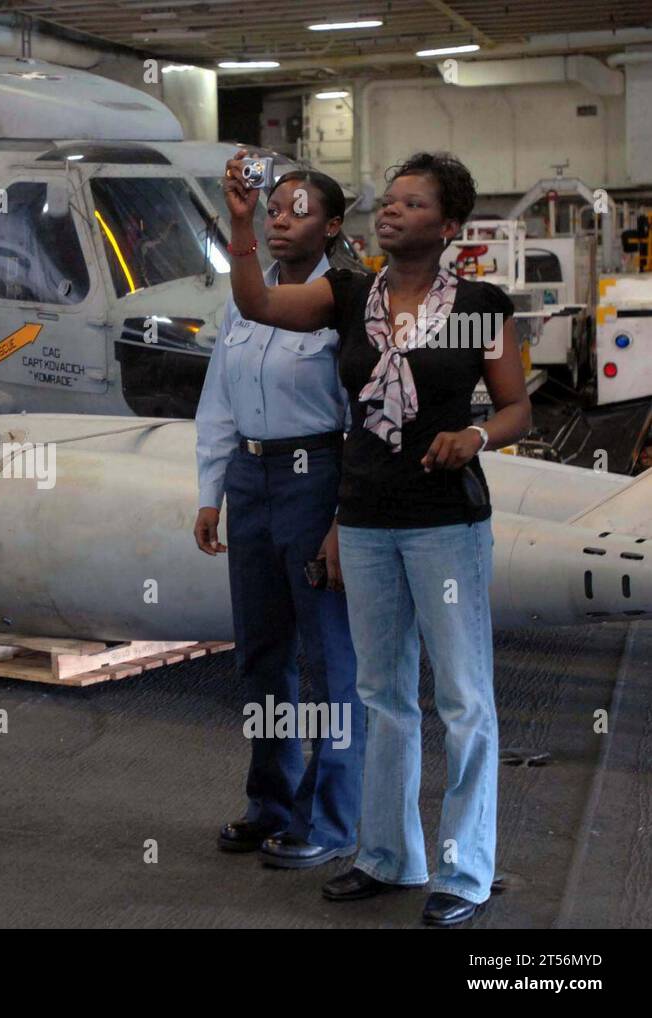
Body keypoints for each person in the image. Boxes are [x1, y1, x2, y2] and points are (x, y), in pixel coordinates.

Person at [221, 150, 532, 927]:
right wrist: (240, 225)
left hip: (446, 525)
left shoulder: (480, 305)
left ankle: (464, 870)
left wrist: (476, 436)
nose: (391, 211)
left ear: (449, 226)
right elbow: (258, 305)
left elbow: (516, 409)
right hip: (362, 520)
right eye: (388, 201)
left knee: (463, 700)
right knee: (381, 695)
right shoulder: (349, 292)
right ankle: (389, 856)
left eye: (413, 204)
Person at [195, 171, 365, 869]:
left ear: (329, 228)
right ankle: (271, 803)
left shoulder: (348, 302)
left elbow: (363, 421)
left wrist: (341, 519)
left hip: (314, 479)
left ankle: (327, 821)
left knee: (329, 661)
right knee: (263, 657)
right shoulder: (244, 299)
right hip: (252, 480)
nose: (280, 221)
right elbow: (219, 399)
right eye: (273, 209)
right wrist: (212, 492)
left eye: (300, 211)